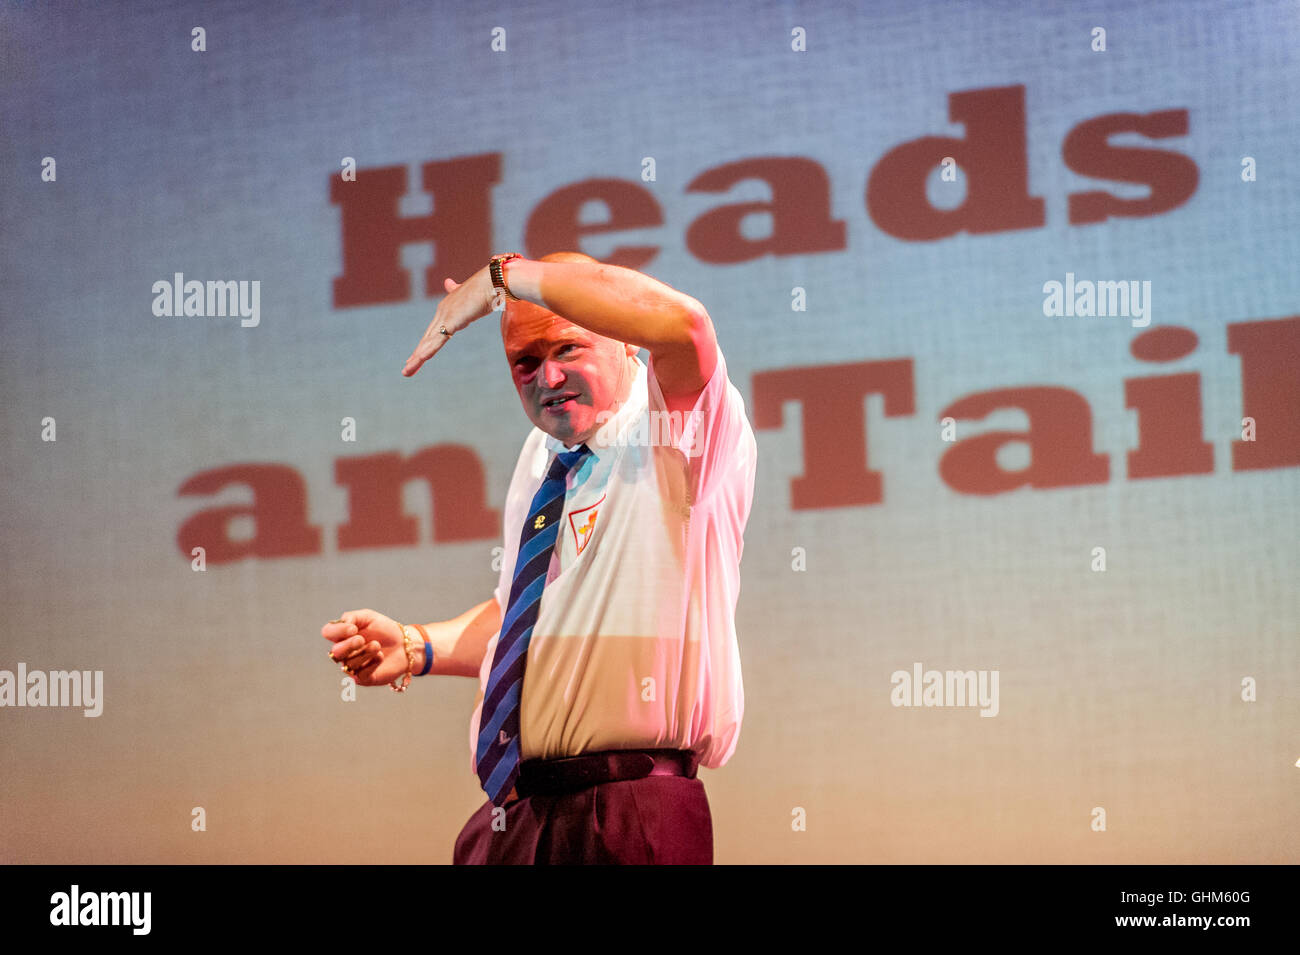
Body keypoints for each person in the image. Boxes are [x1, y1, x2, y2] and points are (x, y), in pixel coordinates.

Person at [321, 251, 756, 864]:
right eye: (525, 361)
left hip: (628, 812)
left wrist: (502, 277)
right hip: (516, 816)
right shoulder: (542, 458)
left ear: (624, 343)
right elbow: (523, 619)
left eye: (567, 349)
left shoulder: (674, 429)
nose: (547, 378)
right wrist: (419, 646)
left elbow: (684, 325)